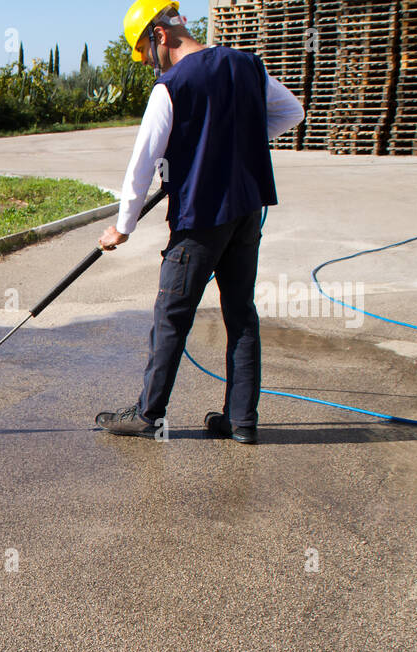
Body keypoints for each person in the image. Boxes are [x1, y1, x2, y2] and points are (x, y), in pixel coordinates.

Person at [94, 1, 305, 444]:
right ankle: (242, 420)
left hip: (200, 219)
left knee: (172, 315)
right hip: (247, 212)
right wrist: (234, 141)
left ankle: (148, 415)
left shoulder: (171, 86)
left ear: (160, 36)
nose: (149, 62)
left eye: (145, 52)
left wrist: (123, 226)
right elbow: (291, 113)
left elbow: (142, 165)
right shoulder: (248, 66)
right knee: (241, 314)